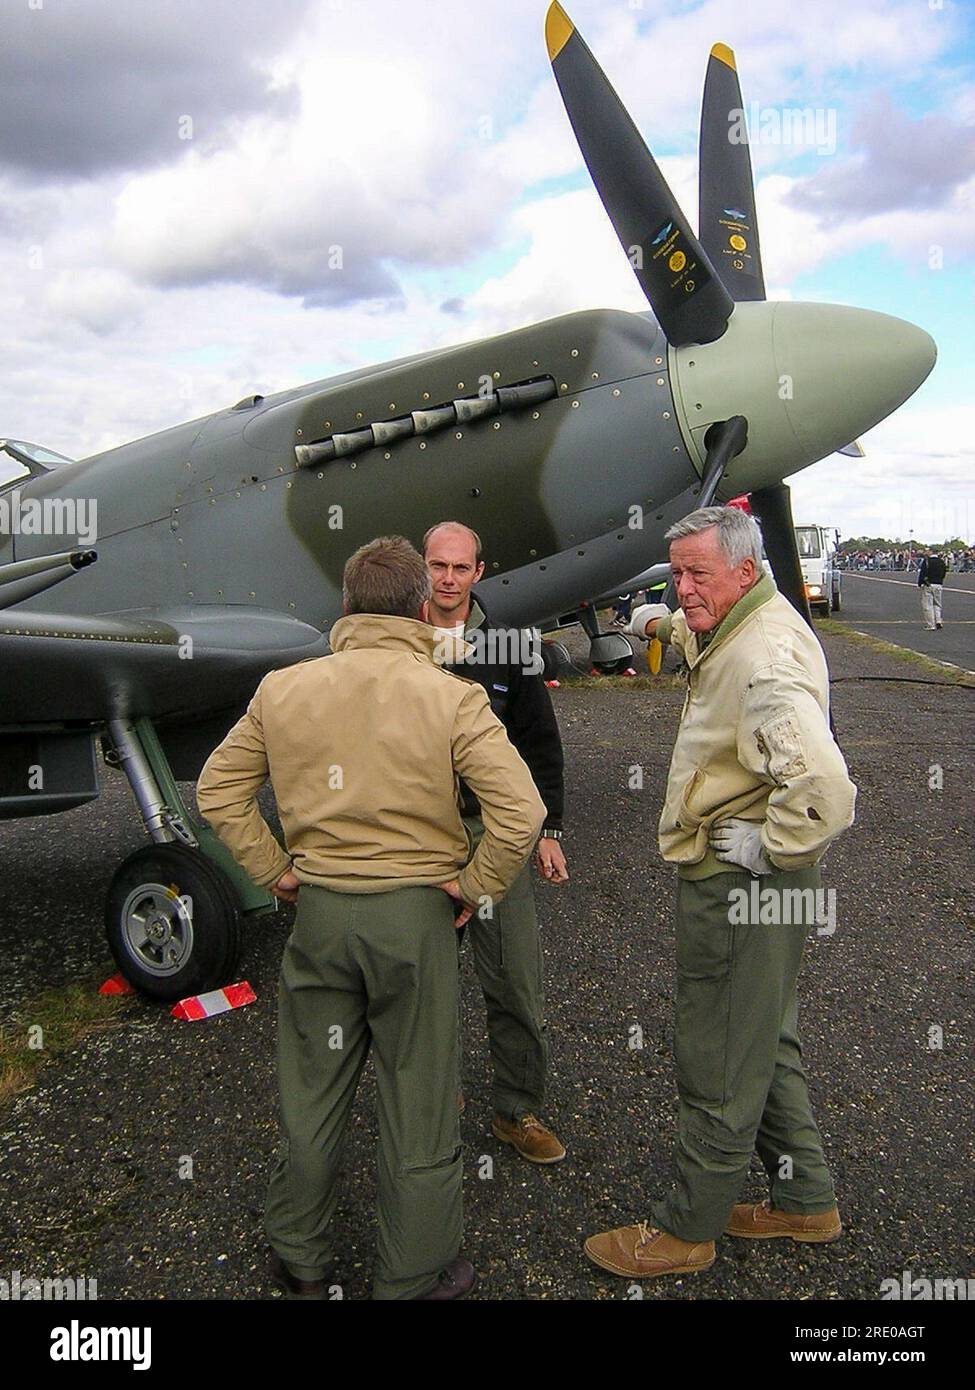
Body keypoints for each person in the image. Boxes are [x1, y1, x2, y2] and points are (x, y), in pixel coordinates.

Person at [196, 536, 545, 1300]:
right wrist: (468, 887)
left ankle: (299, 1252)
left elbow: (216, 793)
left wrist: (276, 869)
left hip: (319, 918)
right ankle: (412, 1272)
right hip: (414, 921)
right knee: (417, 1098)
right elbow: (520, 813)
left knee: (311, 1089)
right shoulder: (450, 695)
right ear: (423, 608)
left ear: (345, 606)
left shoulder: (281, 689)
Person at [585, 505, 857, 1281]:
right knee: (762, 1036)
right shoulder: (745, 614)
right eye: (674, 572)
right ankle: (803, 1198)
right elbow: (691, 624)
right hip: (760, 883)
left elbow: (825, 789)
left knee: (716, 1054)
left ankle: (686, 1229)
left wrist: (771, 844)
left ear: (742, 569)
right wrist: (660, 619)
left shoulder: (764, 655)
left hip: (741, 880)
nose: (683, 587)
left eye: (695, 573)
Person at [423, 520, 568, 1164]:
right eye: (437, 566)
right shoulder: (398, 643)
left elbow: (538, 741)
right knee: (423, 981)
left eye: (460, 567)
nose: (448, 579)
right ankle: (432, 1099)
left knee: (515, 979)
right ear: (423, 569)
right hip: (420, 838)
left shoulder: (512, 648)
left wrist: (549, 830)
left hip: (493, 837)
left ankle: (518, 1109)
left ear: (479, 572)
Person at [917, 549, 947, 629]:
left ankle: (931, 624)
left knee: (927, 605)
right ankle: (938, 620)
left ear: (931, 552)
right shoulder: (941, 562)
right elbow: (944, 573)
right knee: (937, 604)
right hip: (939, 584)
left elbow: (922, 573)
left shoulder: (927, 561)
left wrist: (920, 583)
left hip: (929, 584)